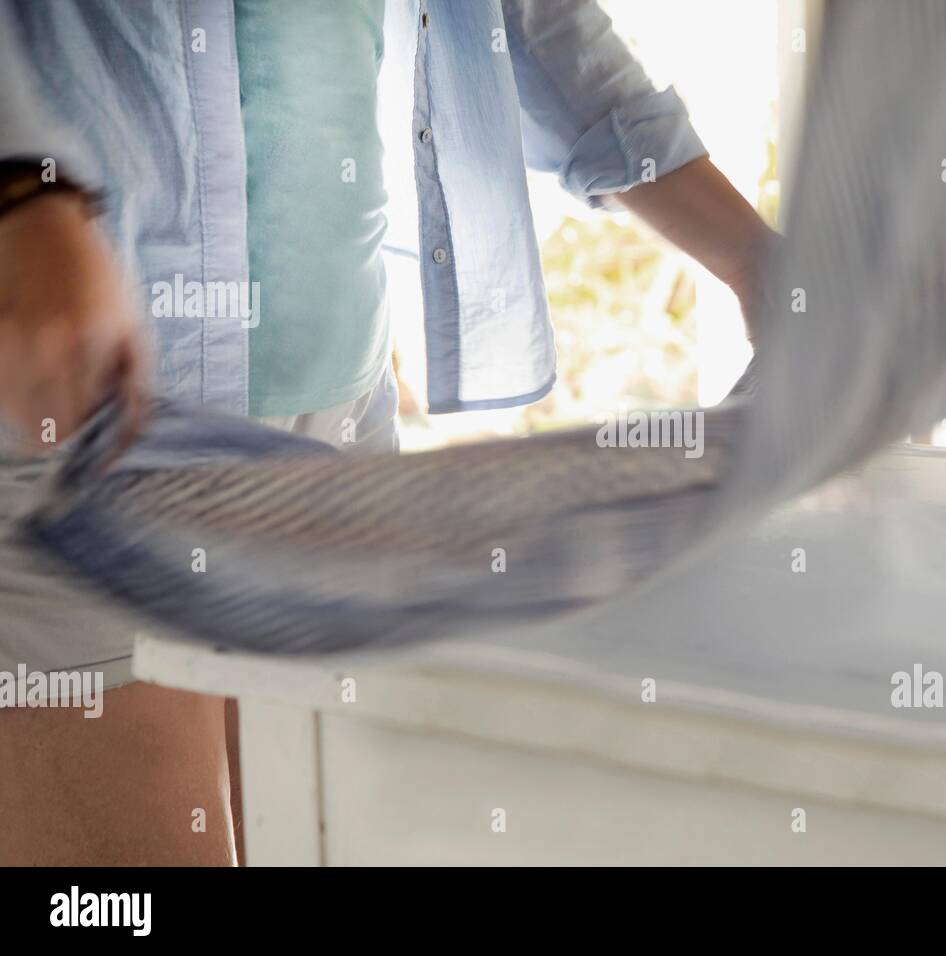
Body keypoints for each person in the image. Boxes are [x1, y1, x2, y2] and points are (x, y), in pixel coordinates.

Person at [0, 0, 773, 865]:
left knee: (329, 844)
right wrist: (23, 196)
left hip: (326, 429)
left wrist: (749, 257)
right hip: (68, 423)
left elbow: (517, 17)